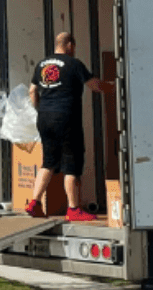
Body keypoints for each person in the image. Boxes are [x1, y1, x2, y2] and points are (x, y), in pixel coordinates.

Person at [26, 32, 110, 221]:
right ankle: (73, 209)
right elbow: (94, 86)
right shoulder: (74, 64)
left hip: (44, 118)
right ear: (70, 45)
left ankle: (34, 202)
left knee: (48, 162)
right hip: (66, 118)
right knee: (71, 165)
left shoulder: (41, 64)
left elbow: (32, 91)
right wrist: (114, 87)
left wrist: (41, 109)